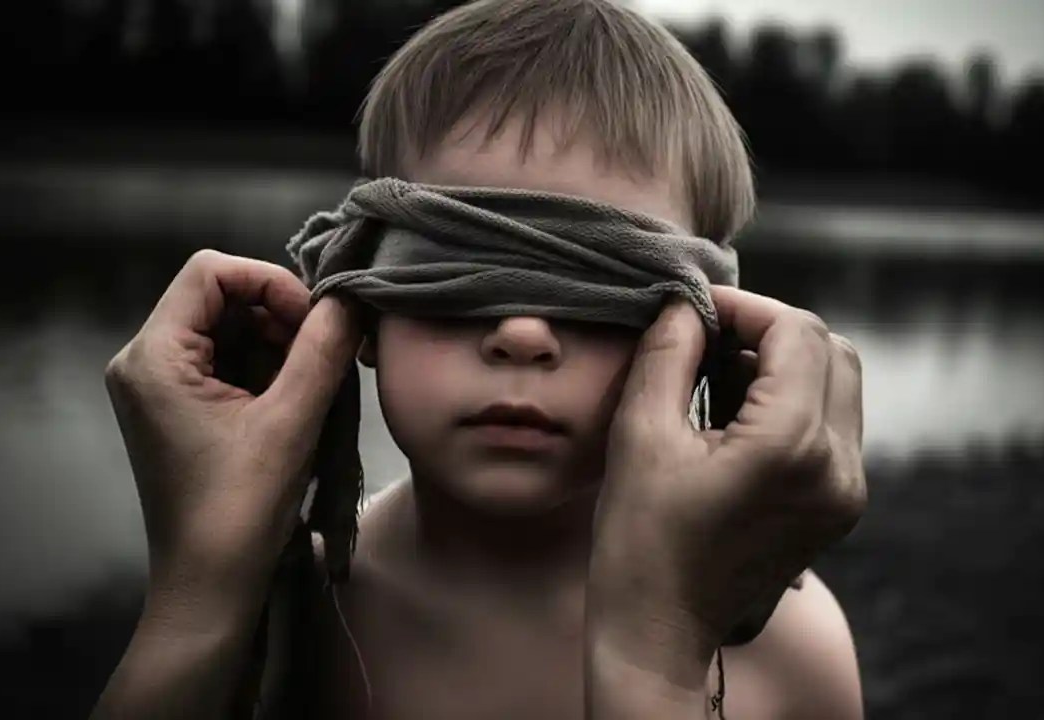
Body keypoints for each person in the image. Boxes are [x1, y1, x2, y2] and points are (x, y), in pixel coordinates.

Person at [90, 0, 867, 718]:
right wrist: (196, 606)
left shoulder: (790, 646)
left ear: (710, 335)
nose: (524, 333)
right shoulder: (278, 604)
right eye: (454, 267)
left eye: (603, 285)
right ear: (357, 303)